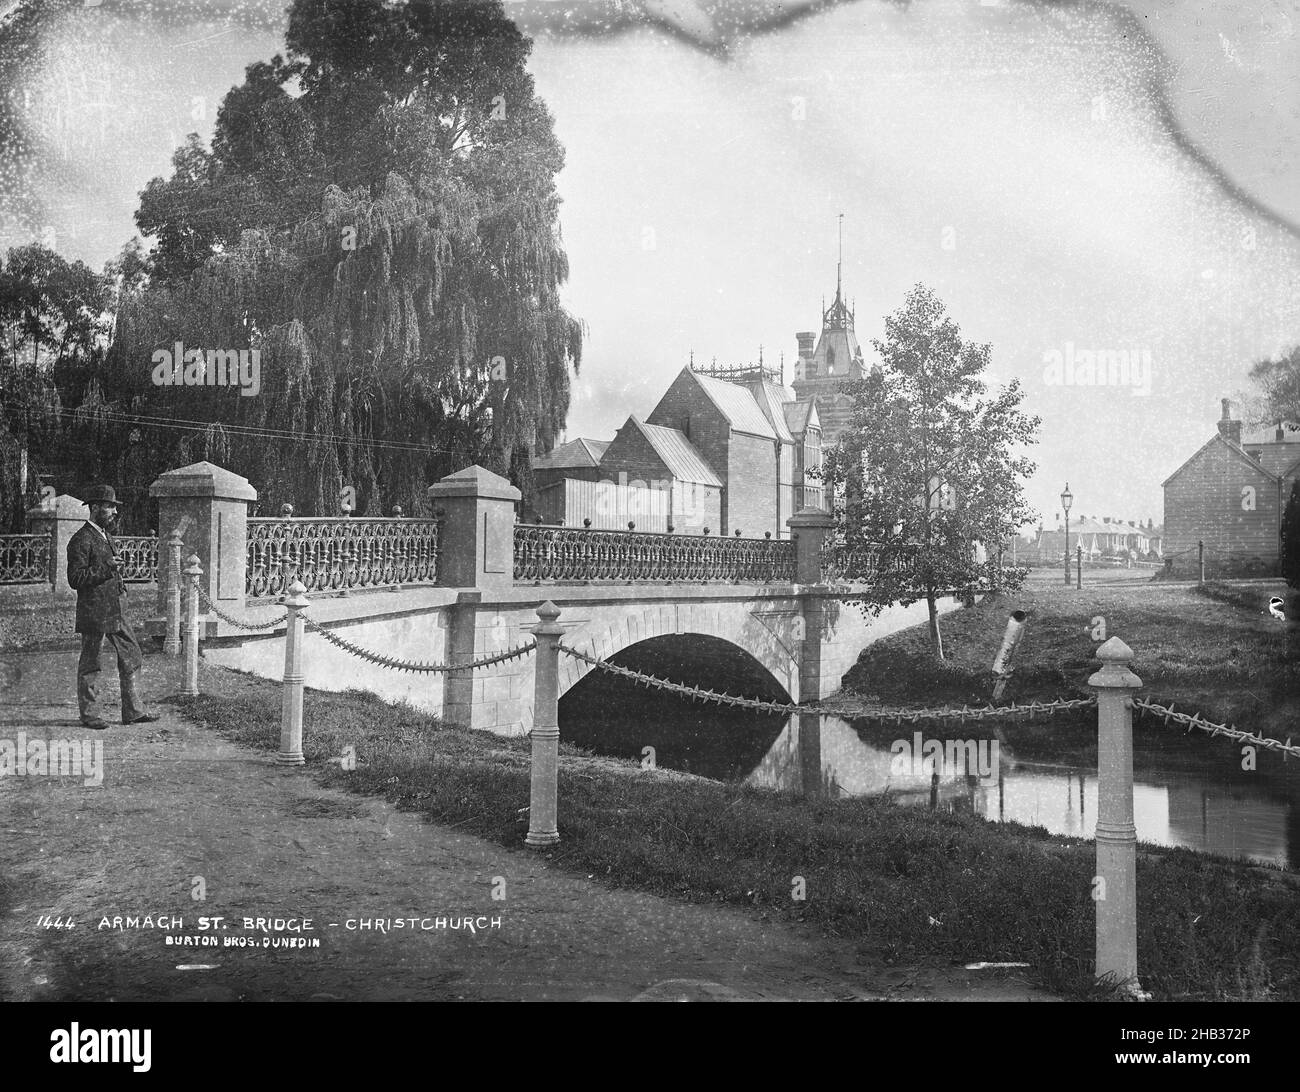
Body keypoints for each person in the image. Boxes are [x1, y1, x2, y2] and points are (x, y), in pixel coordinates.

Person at [67, 485, 160, 730]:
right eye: (110, 507)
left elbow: (110, 569)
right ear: (95, 507)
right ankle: (90, 715)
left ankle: (134, 711)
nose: (114, 512)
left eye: (114, 508)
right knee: (91, 661)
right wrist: (108, 567)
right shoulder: (81, 539)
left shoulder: (105, 535)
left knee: (132, 653)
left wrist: (121, 588)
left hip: (116, 607)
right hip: (94, 608)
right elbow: (75, 579)